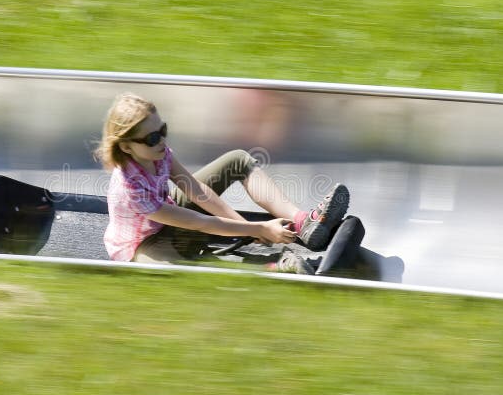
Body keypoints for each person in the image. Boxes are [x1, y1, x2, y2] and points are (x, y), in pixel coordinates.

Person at [95, 92, 350, 274]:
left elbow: (197, 191)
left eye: (163, 131)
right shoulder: (130, 188)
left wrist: (246, 228)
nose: (161, 140)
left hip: (169, 223)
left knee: (237, 160)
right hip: (143, 245)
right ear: (126, 147)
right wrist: (258, 229)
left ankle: (302, 222)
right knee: (175, 272)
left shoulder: (160, 154)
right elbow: (199, 222)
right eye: (152, 138)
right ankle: (273, 266)